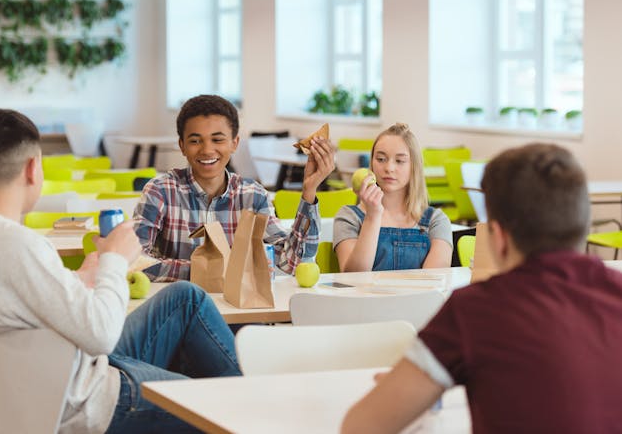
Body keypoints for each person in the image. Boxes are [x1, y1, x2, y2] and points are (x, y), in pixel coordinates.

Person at [0, 109, 241, 433]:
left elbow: (11, 306)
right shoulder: (19, 245)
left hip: (50, 377)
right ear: (34, 169)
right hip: (83, 401)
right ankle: (253, 409)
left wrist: (84, 275)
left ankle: (246, 402)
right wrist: (115, 261)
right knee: (214, 403)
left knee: (185, 299)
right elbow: (102, 335)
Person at [342, 143, 622, 433]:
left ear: (497, 236)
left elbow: (359, 426)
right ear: (585, 227)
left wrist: (410, 391)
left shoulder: (473, 311)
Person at [134, 94, 335, 282]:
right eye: (195, 141)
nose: (207, 150)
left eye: (217, 139)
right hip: (181, 309)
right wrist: (207, 270)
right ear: (182, 145)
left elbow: (292, 263)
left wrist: (309, 191)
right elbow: (136, 260)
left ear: (234, 143)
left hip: (239, 311)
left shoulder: (252, 196)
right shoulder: (160, 191)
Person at [333, 123, 452, 271]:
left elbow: (433, 281)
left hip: (416, 295)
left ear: (414, 166)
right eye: (381, 159)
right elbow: (353, 277)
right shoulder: (349, 217)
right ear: (371, 163)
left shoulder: (436, 221)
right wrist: (373, 216)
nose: (389, 168)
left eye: (400, 161)